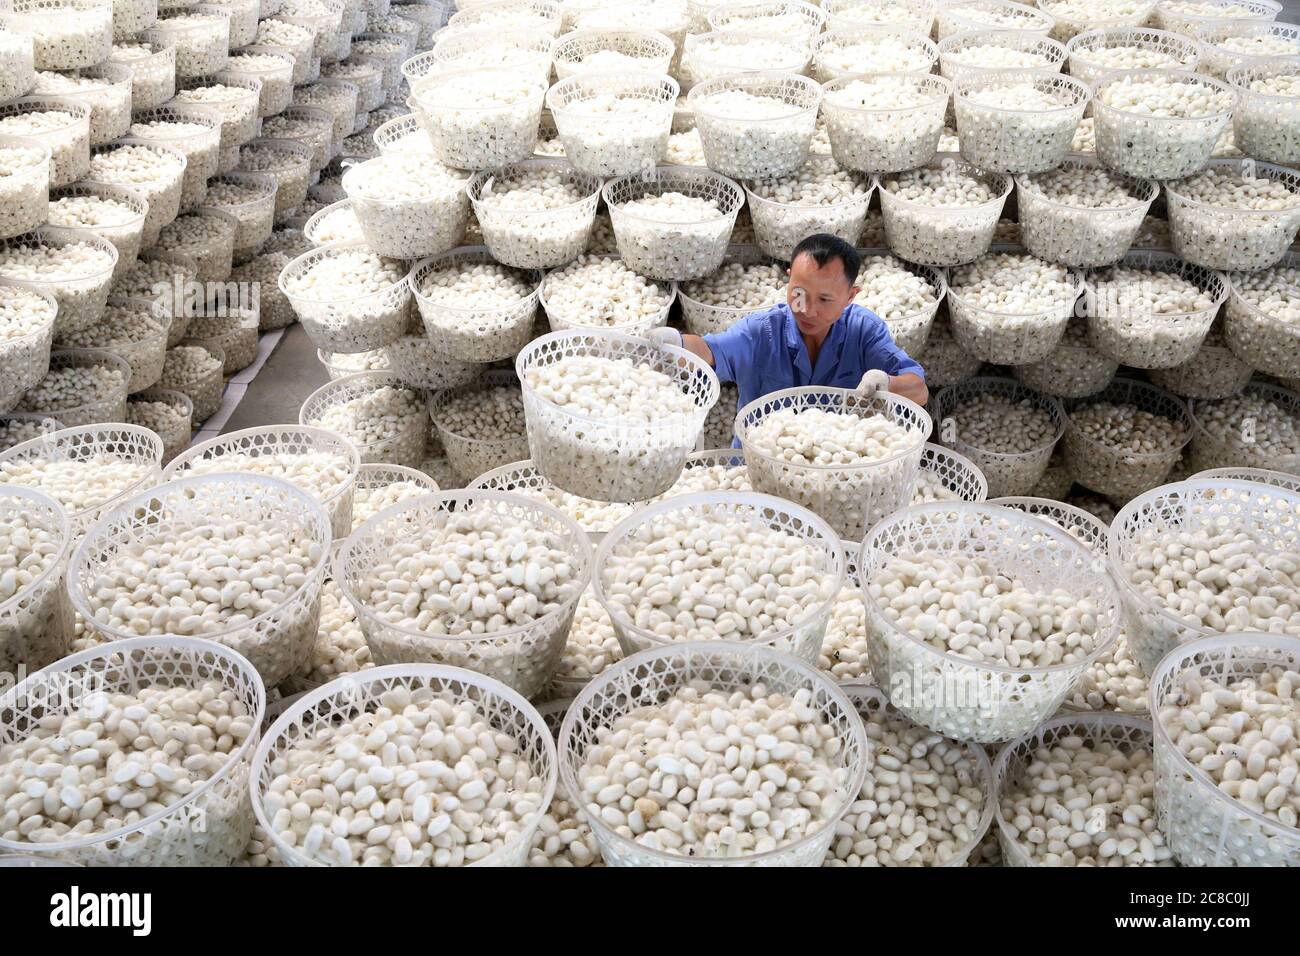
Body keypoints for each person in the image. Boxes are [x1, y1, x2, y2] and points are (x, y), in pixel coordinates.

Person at [648, 234, 928, 432]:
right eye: (799, 293)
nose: (807, 310)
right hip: (755, 468)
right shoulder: (764, 330)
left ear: (850, 296)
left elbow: (919, 391)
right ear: (789, 276)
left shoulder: (864, 330)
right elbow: (710, 351)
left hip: (837, 472)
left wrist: (886, 383)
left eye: (825, 300)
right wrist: (676, 343)